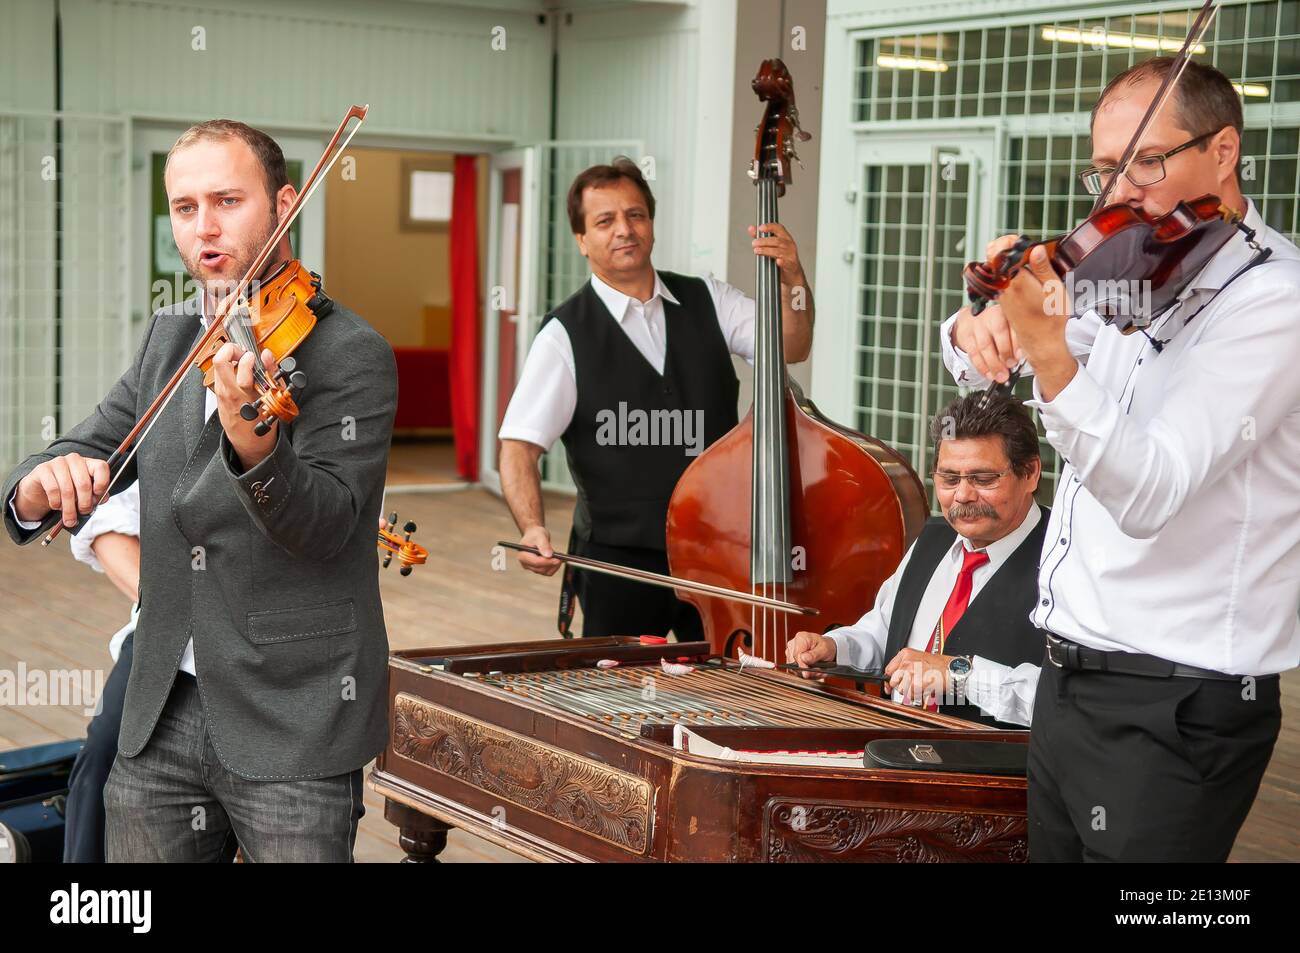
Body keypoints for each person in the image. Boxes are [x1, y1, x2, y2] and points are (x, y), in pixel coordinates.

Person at [3, 119, 397, 862]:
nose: (204, 228)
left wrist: (257, 448)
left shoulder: (351, 352)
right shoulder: (174, 335)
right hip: (162, 706)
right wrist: (35, 486)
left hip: (293, 714)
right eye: (185, 208)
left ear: (284, 204)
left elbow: (328, 526)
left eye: (227, 201)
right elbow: (89, 442)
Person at [943, 58, 1300, 861]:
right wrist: (980, 323)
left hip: (1174, 708)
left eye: (1148, 161)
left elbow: (1150, 489)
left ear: (1224, 151)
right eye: (1105, 169)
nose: (1119, 193)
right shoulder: (1132, 275)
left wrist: (1049, 352)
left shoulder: (1276, 303)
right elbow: (976, 356)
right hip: (1067, 683)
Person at [497, 157, 813, 639]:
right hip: (616, 562)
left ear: (650, 223)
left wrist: (792, 280)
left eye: (635, 215)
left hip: (716, 552)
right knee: (615, 703)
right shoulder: (564, 335)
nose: (624, 229)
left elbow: (791, 346)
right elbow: (519, 447)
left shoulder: (710, 298)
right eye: (605, 221)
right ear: (582, 240)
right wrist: (532, 526)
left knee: (722, 697)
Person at [786, 393, 1047, 728]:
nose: (963, 495)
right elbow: (885, 632)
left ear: (1030, 473)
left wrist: (959, 675)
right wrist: (836, 646)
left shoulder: (1066, 559)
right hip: (896, 749)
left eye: (983, 479)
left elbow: (1069, 700)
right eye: (950, 479)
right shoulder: (933, 538)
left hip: (994, 773)